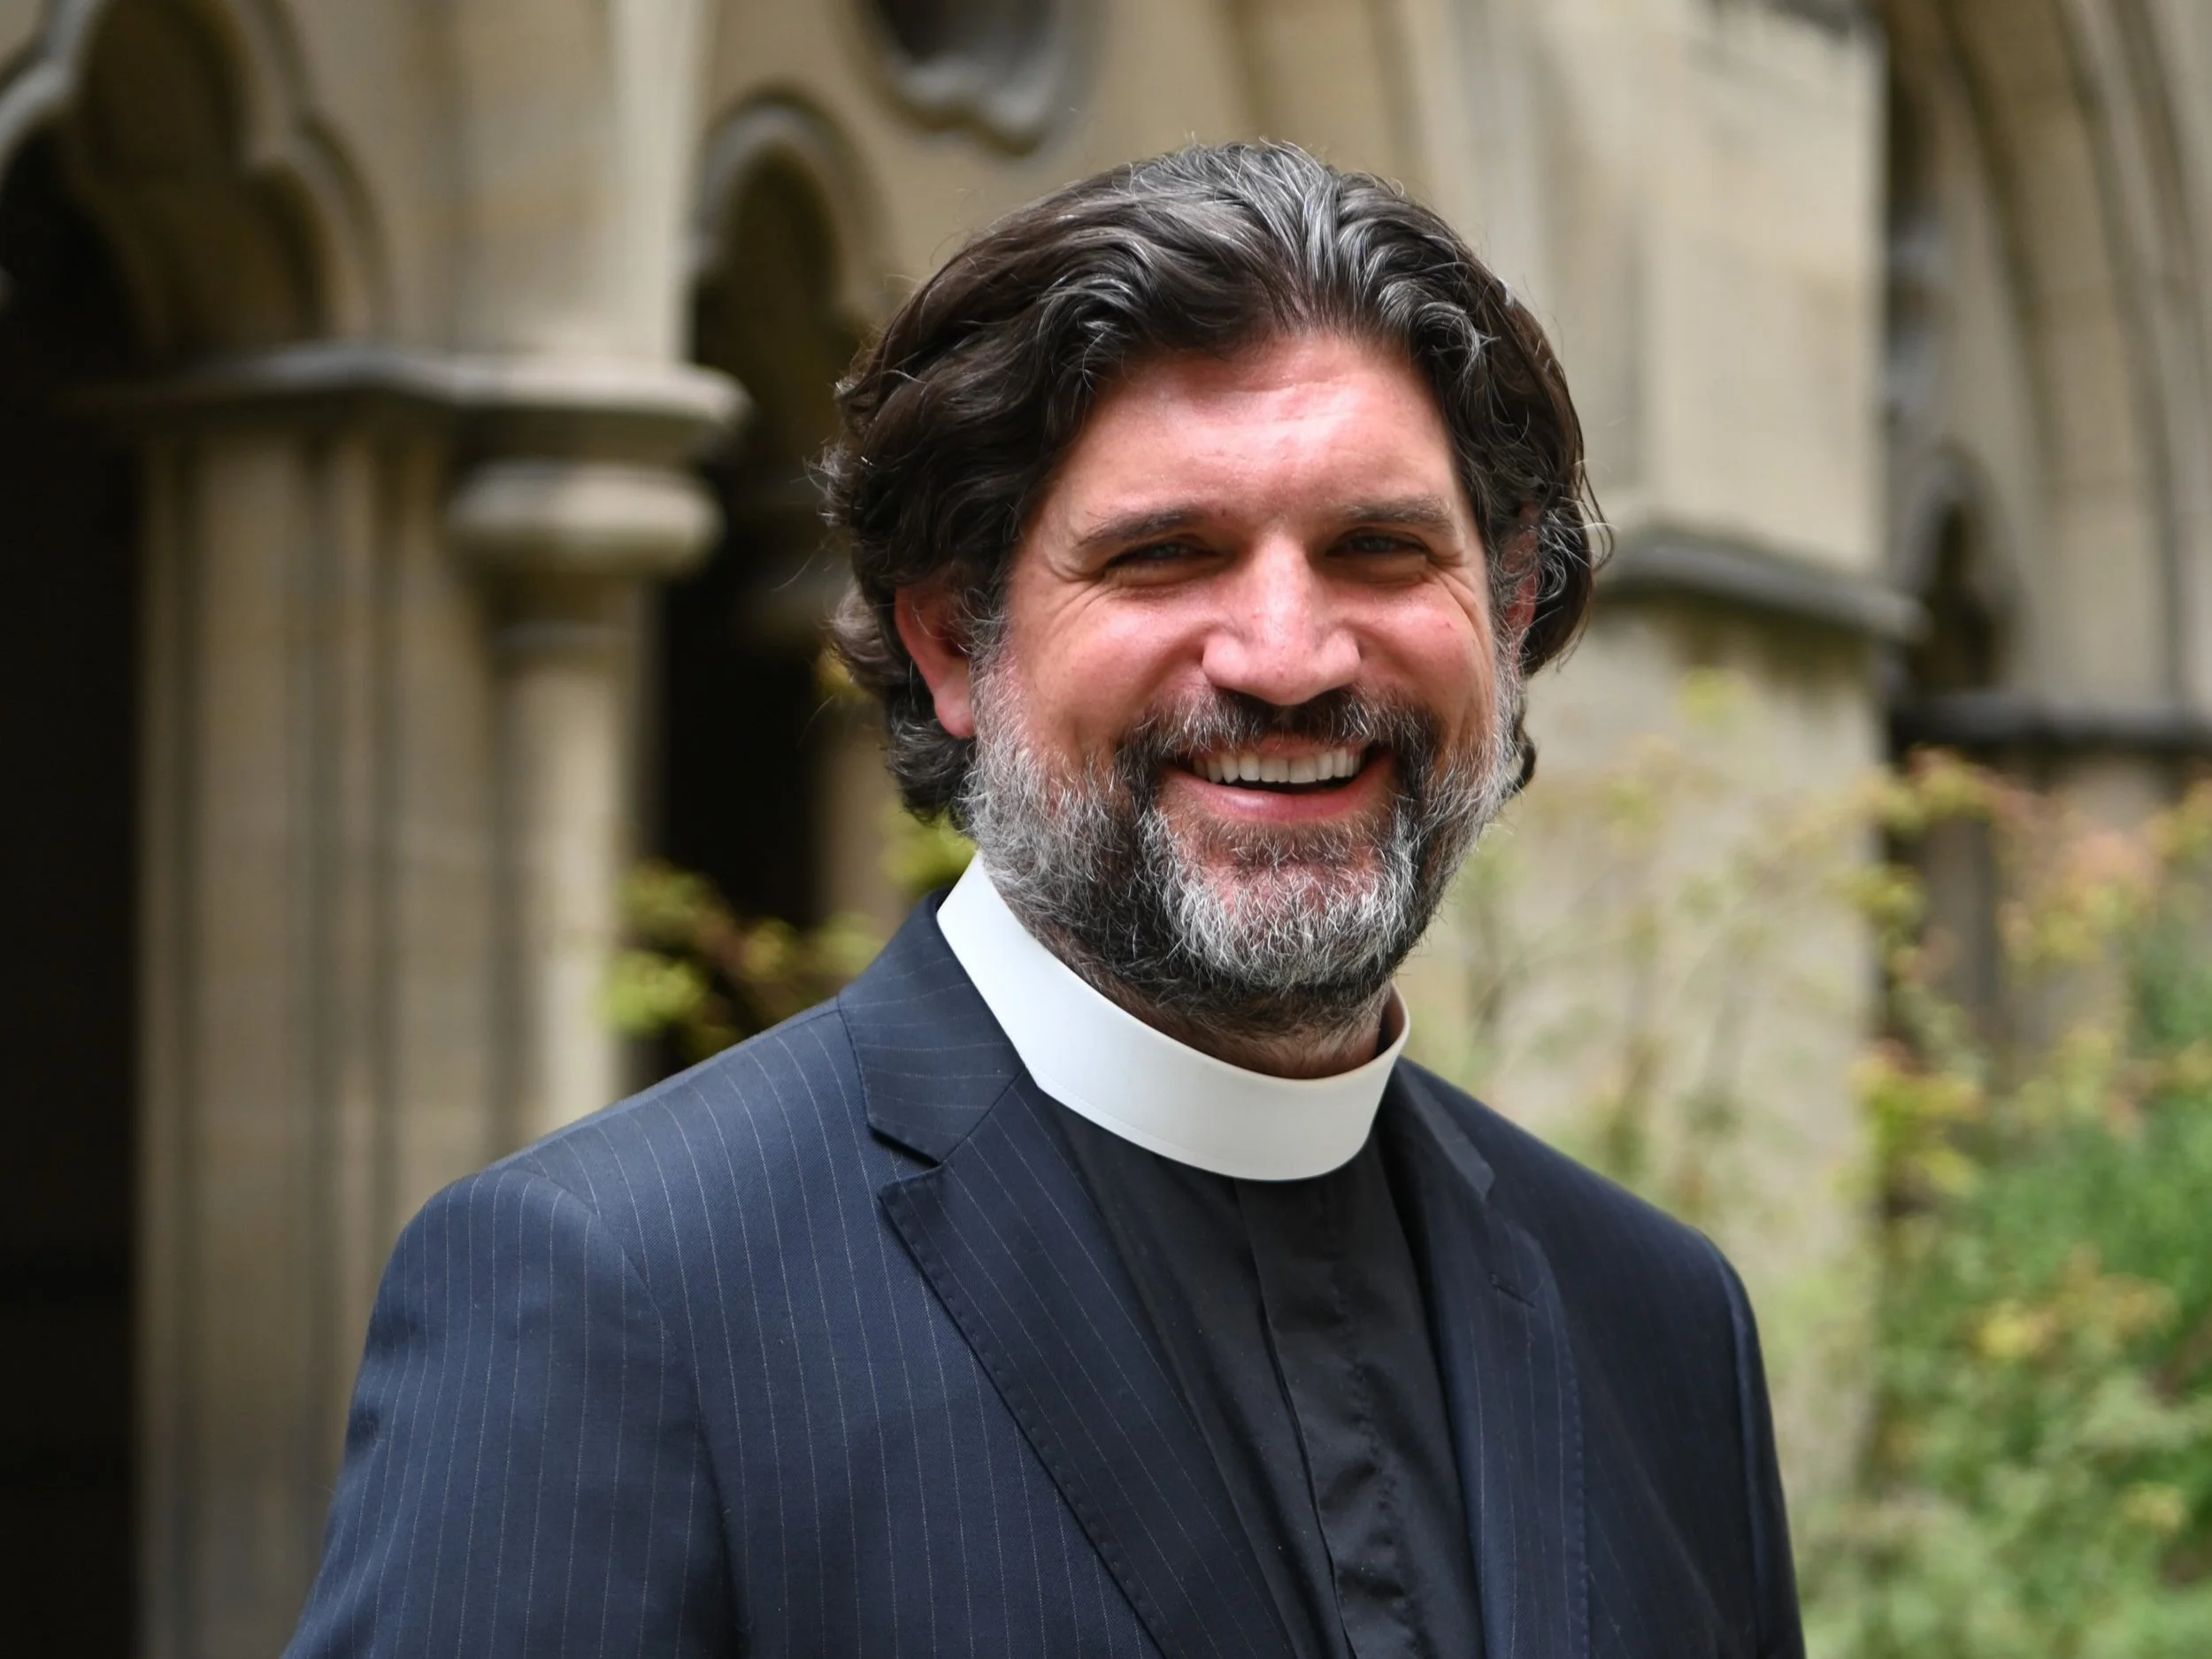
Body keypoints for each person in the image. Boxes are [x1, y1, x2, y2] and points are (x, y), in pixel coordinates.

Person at [287, 142, 1802, 1658]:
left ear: (1512, 609)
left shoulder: (1658, 1322)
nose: (1288, 656)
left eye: (1379, 550)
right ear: (955, 643)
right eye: (1166, 556)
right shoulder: (615, 1298)